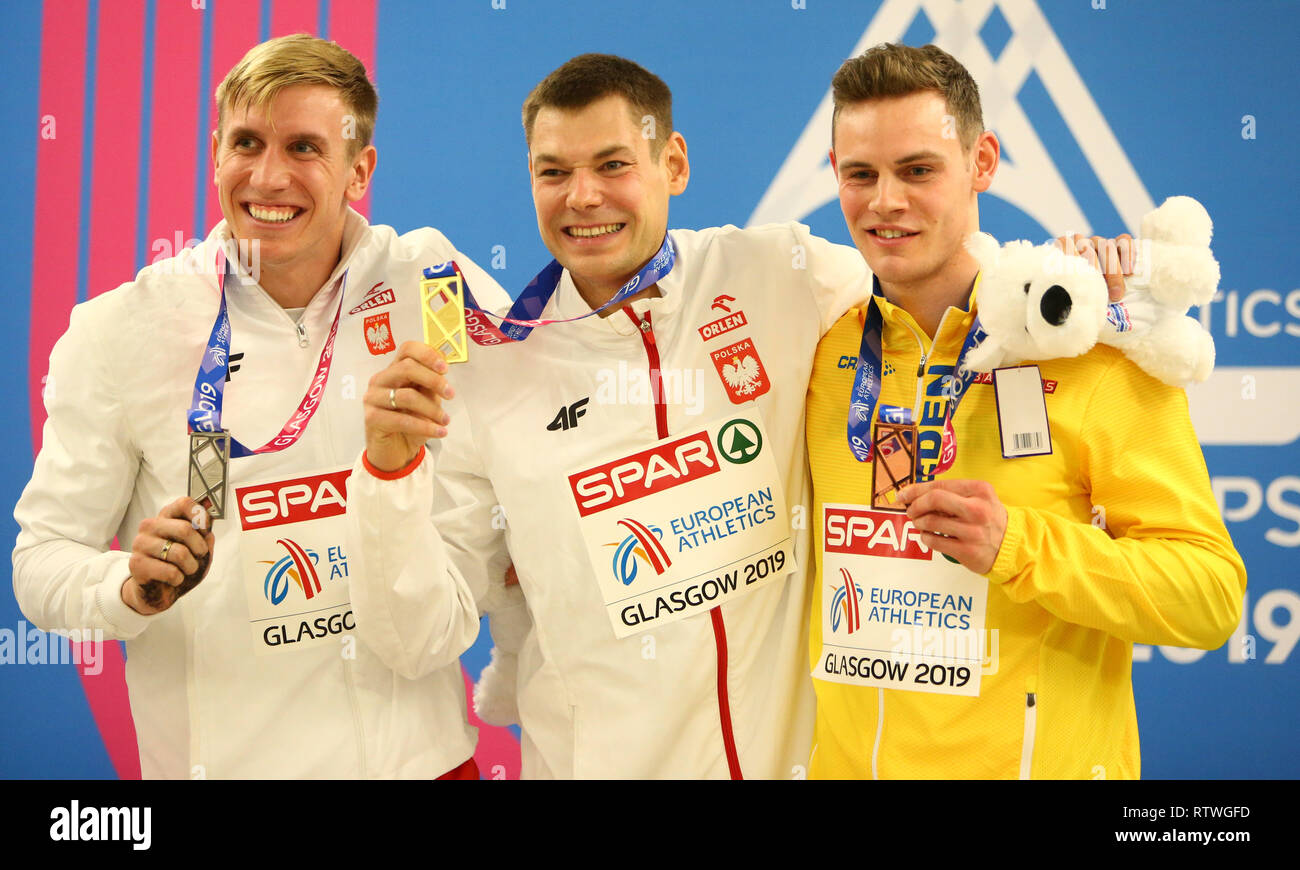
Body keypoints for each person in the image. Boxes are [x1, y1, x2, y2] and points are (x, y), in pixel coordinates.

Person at [347, 53, 877, 779]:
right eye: (553, 173)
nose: (582, 197)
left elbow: (937, 299)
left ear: (674, 163)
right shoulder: (494, 367)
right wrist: (389, 472)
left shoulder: (779, 274)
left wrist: (1072, 291)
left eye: (612, 164)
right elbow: (417, 637)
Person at [12, 34, 509, 779]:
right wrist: (126, 585)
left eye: (305, 147)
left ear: (359, 170)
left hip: (424, 766)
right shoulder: (122, 330)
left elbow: (545, 433)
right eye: (246, 142)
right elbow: (41, 562)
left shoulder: (429, 284)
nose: (269, 177)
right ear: (216, 152)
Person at [804, 43, 1247, 779]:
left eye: (918, 170)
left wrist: (1021, 546)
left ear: (982, 163)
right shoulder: (819, 350)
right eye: (861, 174)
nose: (885, 201)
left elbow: (1208, 595)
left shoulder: (1087, 344)